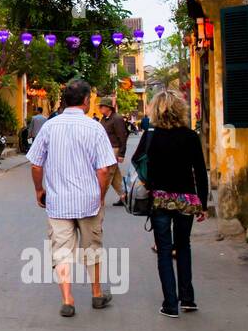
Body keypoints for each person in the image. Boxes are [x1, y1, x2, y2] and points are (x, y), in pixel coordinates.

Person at [27, 79, 119, 317]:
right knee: (92, 249)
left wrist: (39, 189)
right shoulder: (95, 128)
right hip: (89, 202)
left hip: (58, 203)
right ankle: (97, 294)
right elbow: (105, 169)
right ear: (87, 100)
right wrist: (99, 195)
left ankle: (67, 299)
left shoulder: (49, 127)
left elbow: (36, 164)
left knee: (61, 251)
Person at [130, 90, 208, 318]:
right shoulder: (190, 136)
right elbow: (200, 172)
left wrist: (150, 181)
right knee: (183, 246)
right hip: (186, 200)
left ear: (156, 109)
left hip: (160, 199)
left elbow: (136, 160)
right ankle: (188, 299)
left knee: (164, 250)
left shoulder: (151, 136)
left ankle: (170, 304)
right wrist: (202, 203)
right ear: (180, 109)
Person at [98, 98, 129, 207]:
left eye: (101, 106)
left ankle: (98, 198)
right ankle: (125, 195)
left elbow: (122, 136)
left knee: (107, 174)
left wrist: (121, 153)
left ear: (108, 107)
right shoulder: (104, 119)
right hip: (106, 149)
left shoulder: (117, 119)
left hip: (114, 149)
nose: (99, 108)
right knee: (115, 176)